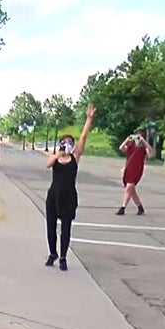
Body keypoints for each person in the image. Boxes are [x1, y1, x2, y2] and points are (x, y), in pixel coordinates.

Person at [43, 104, 97, 272]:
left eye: (69, 143)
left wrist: (89, 119)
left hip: (68, 197)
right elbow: (47, 164)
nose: (66, 145)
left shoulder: (75, 157)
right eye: (63, 142)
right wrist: (59, 154)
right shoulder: (56, 157)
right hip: (53, 196)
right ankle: (53, 253)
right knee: (51, 226)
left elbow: (83, 138)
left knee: (66, 227)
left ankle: (64, 257)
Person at [117, 132, 153, 215]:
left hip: (137, 170)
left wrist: (144, 142)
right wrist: (127, 140)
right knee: (131, 190)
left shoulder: (144, 149)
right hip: (129, 169)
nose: (138, 140)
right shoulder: (130, 146)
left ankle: (123, 207)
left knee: (129, 187)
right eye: (137, 138)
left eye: (139, 138)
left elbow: (150, 154)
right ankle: (140, 207)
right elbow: (121, 148)